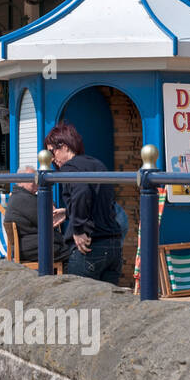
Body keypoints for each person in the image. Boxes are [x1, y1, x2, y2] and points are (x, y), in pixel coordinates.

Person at [45, 122, 123, 284]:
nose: (52, 159)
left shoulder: (69, 168)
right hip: (113, 245)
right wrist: (67, 213)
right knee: (107, 306)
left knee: (81, 307)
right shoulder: (95, 163)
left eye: (52, 152)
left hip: (90, 246)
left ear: (65, 146)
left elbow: (82, 191)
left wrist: (79, 228)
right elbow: (97, 201)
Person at [3, 165, 72, 263]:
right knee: (72, 252)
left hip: (29, 246)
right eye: (33, 179)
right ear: (21, 181)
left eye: (37, 179)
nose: (36, 182)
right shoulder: (23, 199)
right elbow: (50, 218)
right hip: (33, 247)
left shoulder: (20, 196)